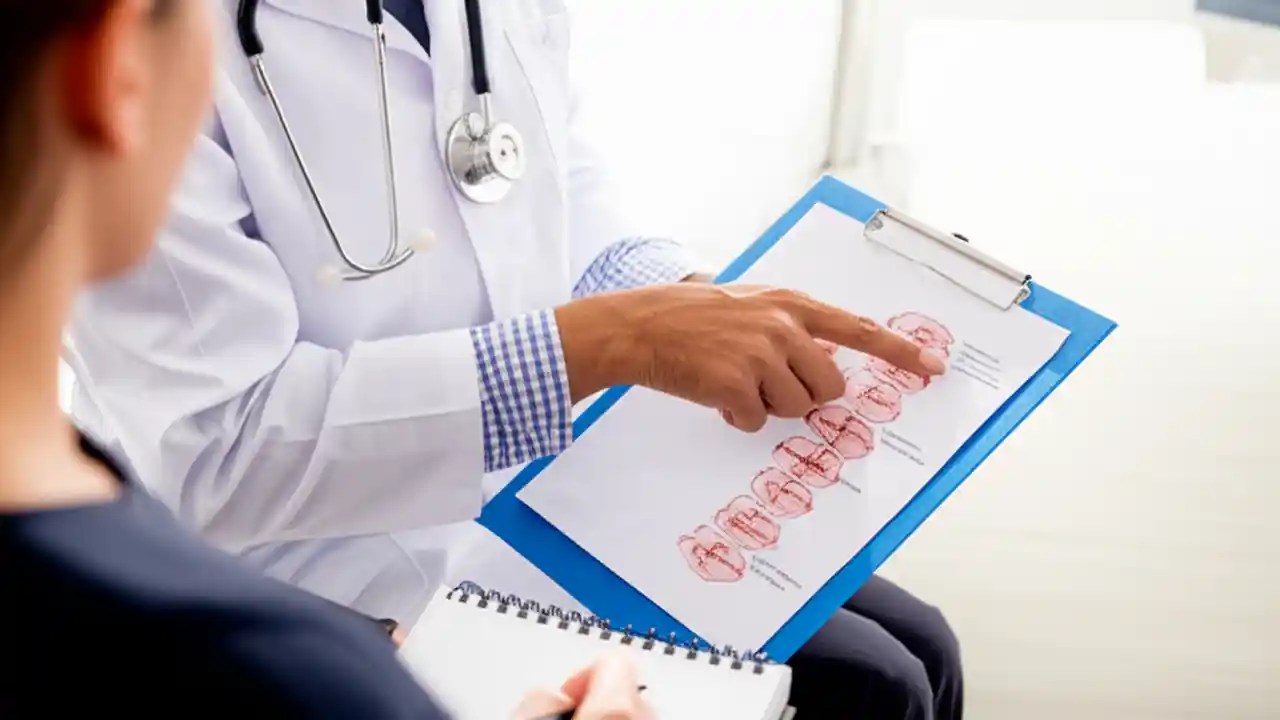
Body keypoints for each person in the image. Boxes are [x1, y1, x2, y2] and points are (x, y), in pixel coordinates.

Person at [64, 1, 962, 716]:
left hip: (522, 484)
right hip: (302, 551)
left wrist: (684, 295)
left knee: (919, 643)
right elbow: (217, 452)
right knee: (864, 683)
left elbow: (540, 173)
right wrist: (620, 339)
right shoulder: (140, 41)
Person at [0, 1, 648, 717]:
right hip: (340, 582)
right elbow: (219, 445)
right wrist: (597, 345)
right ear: (117, 73)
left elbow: (534, 147)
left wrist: (662, 296)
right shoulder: (283, 673)